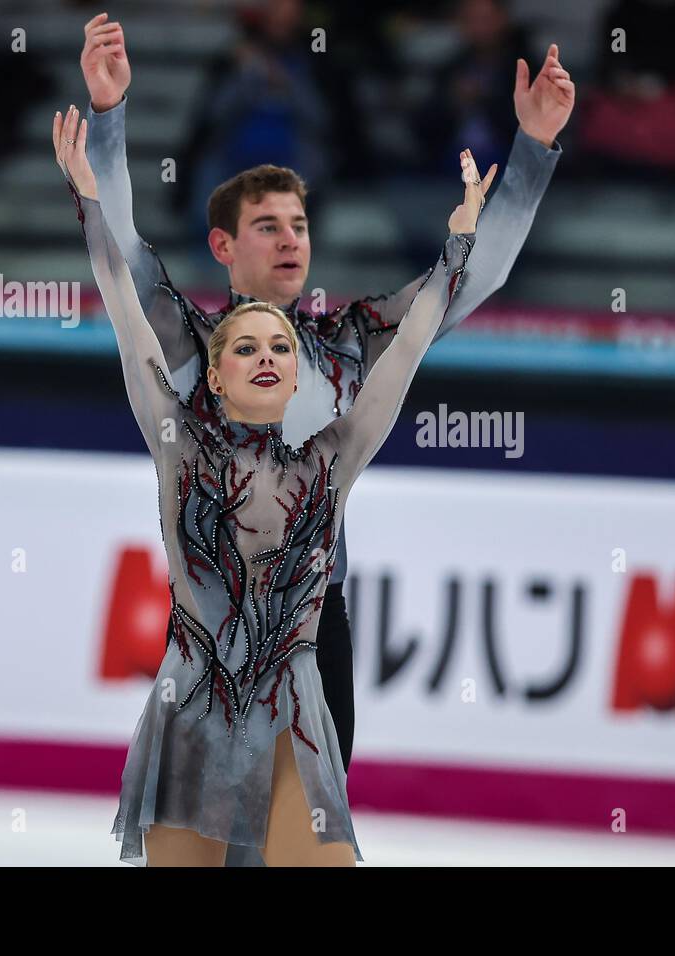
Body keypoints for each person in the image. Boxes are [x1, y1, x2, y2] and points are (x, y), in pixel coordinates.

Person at [73, 13, 574, 772]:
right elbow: (119, 252)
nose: (290, 242)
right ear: (223, 246)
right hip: (213, 629)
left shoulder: (350, 342)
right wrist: (108, 120)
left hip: (315, 631)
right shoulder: (188, 343)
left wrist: (532, 151)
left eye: (300, 227)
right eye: (268, 227)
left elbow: (473, 277)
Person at [56, 105, 486, 866]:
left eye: (281, 347)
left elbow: (412, 339)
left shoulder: (336, 455)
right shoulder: (176, 441)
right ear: (213, 377)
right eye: (245, 347)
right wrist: (90, 198)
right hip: (191, 704)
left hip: (294, 711)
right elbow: (124, 302)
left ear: (300, 374)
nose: (266, 357)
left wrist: (459, 242)